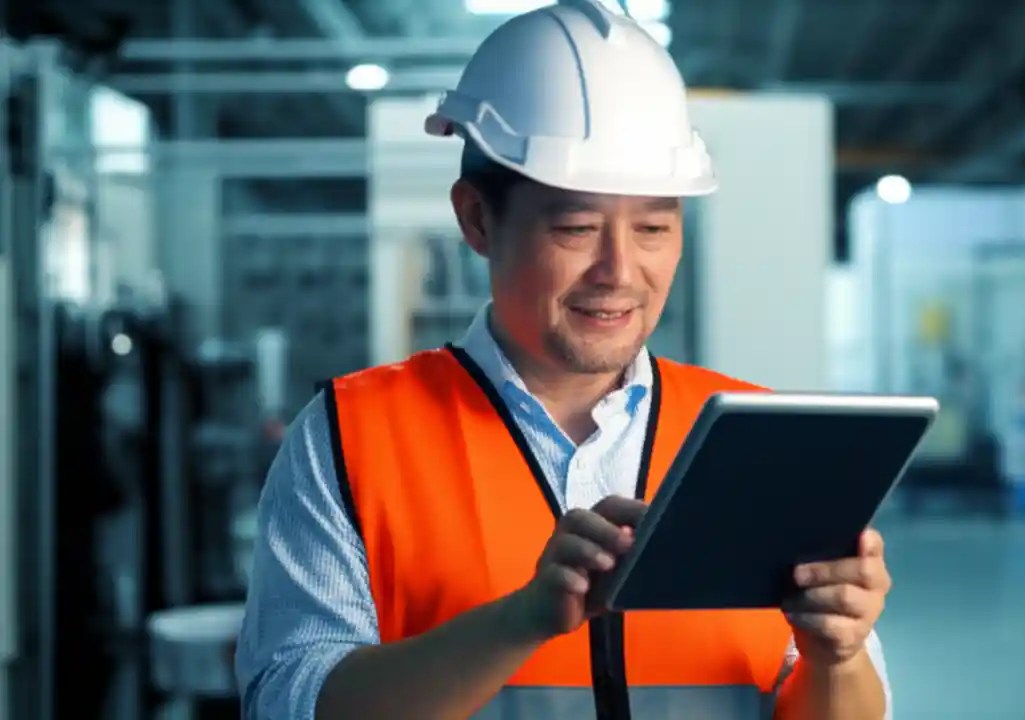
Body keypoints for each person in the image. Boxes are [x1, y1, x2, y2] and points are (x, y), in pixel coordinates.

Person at [235, 1, 894, 718]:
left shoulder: (759, 442)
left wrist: (840, 655)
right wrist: (519, 623)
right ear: (478, 219)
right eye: (576, 226)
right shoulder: (349, 439)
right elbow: (288, 705)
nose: (619, 270)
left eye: (651, 227)